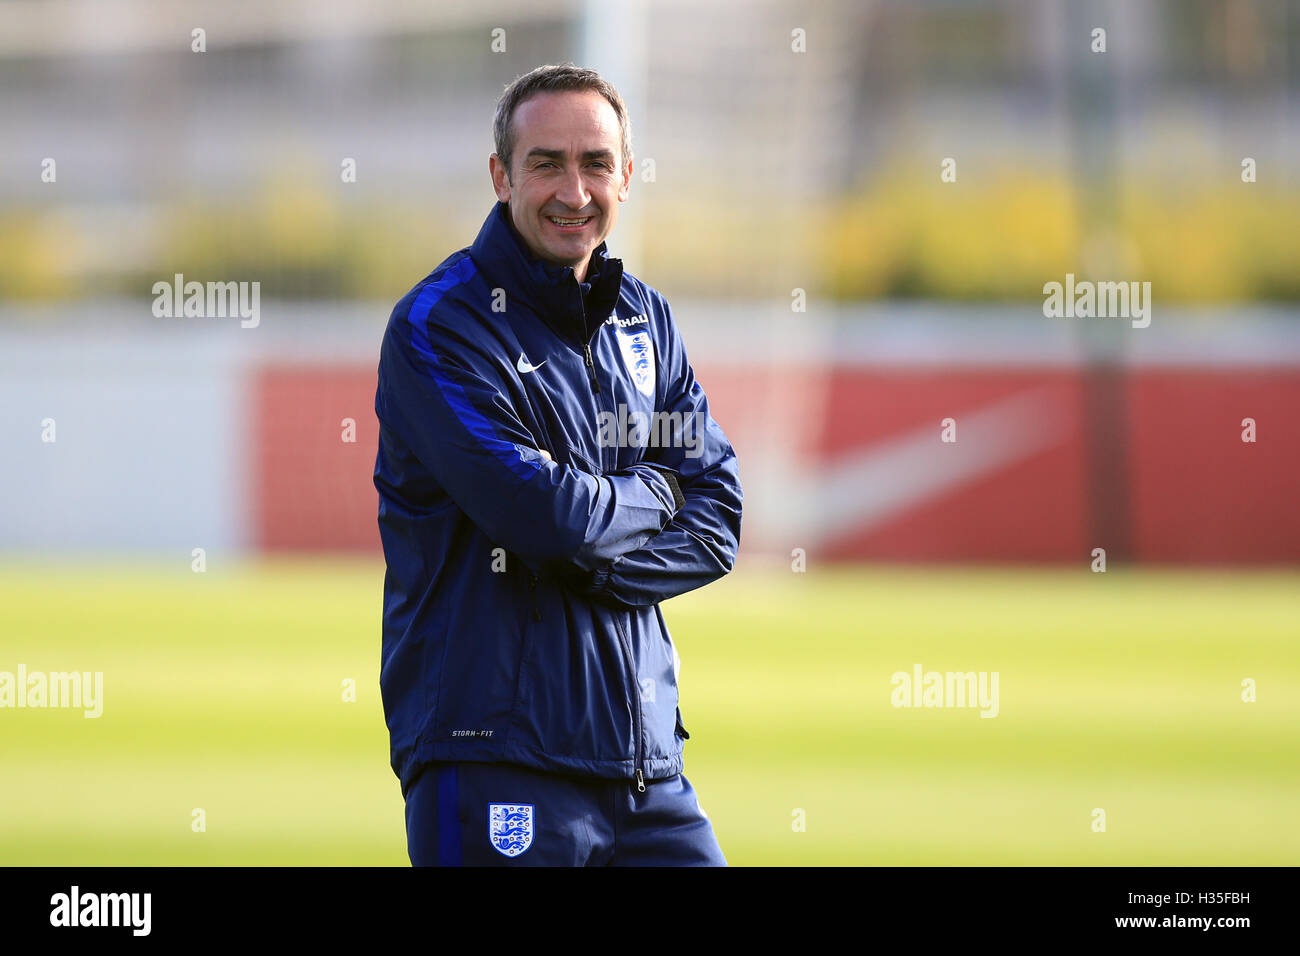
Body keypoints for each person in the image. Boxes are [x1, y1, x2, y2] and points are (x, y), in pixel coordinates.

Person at [373, 63, 742, 866]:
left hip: (646, 771)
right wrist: (654, 488)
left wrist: (597, 567)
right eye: (546, 163)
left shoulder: (645, 319)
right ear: (501, 175)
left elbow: (719, 519)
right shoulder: (441, 326)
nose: (574, 190)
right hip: (491, 760)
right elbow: (543, 518)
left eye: (596, 163)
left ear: (628, 176)